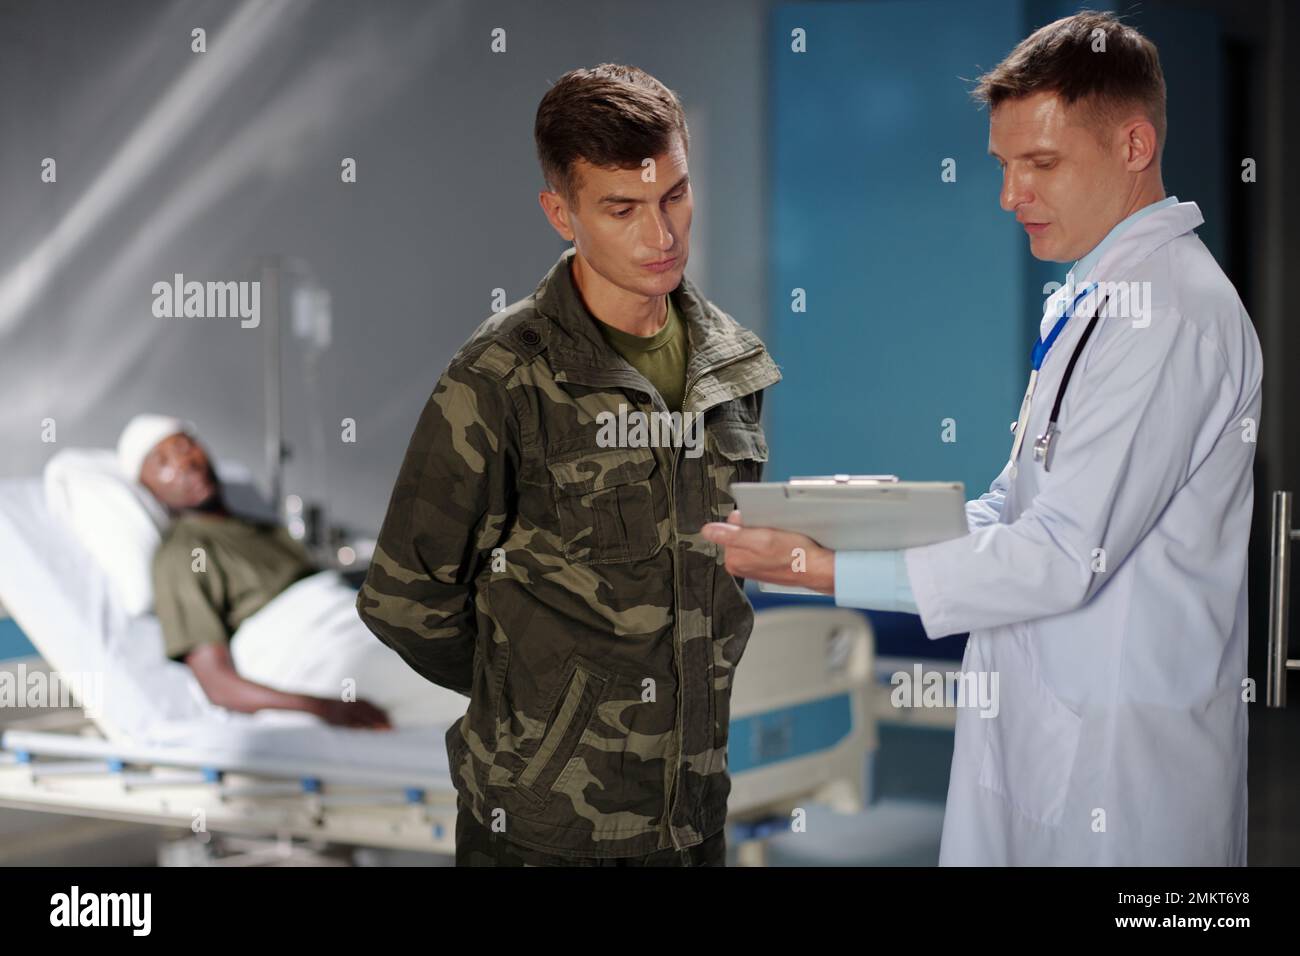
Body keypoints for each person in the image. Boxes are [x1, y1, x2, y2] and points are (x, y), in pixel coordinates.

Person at [702, 11, 1261, 865]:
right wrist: (851, 524)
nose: (1009, 195)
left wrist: (820, 572)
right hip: (1042, 727)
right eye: (1004, 166)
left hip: (1126, 771)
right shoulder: (1096, 297)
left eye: (1040, 164)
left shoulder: (1170, 315)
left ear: (1134, 146)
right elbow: (1018, 502)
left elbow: (1060, 556)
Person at [357, 64, 780, 866]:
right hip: (546, 830)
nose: (661, 236)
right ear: (562, 213)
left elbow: (717, 577)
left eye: (674, 196)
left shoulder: (733, 366)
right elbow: (403, 600)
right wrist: (541, 707)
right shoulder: (500, 377)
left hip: (692, 816)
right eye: (622, 209)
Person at [118, 414, 391, 729]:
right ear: (149, 489)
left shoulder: (265, 529)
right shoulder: (183, 554)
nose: (184, 463)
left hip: (358, 626)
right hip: (327, 658)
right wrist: (322, 708)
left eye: (185, 446)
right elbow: (217, 683)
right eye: (162, 462)